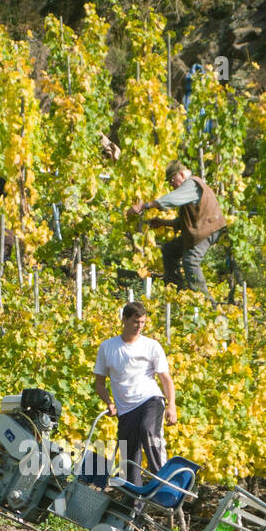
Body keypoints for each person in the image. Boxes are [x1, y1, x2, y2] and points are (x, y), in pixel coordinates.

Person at [93, 301, 178, 487]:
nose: (139, 326)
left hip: (150, 399)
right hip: (125, 409)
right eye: (135, 322)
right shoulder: (107, 347)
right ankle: (133, 506)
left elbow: (165, 378)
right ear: (124, 319)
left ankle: (162, 481)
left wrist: (171, 405)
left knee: (148, 430)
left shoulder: (151, 346)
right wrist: (108, 402)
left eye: (142, 322)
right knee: (128, 457)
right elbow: (99, 382)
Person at [127, 160, 227, 299]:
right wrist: (163, 223)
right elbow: (183, 222)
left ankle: (204, 302)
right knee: (170, 250)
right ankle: (176, 292)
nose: (171, 184)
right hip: (200, 230)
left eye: (172, 180)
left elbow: (171, 199)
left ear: (181, 174)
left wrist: (144, 206)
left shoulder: (191, 184)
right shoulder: (188, 189)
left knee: (191, 259)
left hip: (209, 229)